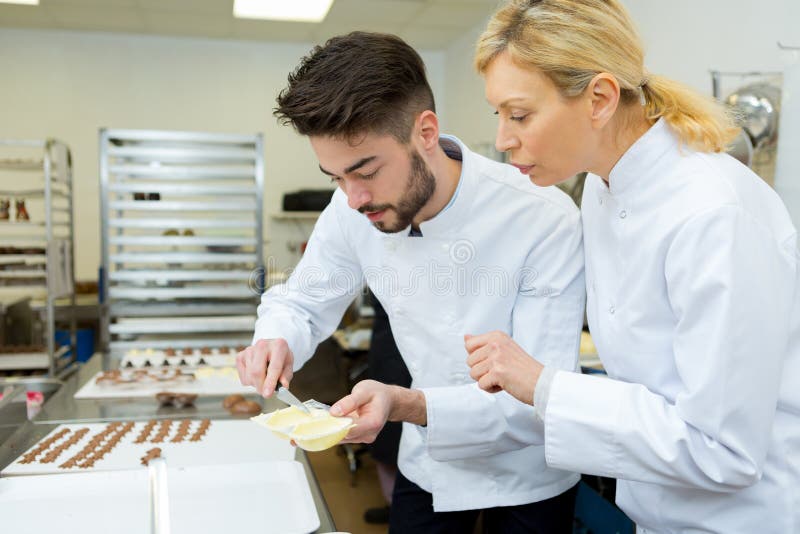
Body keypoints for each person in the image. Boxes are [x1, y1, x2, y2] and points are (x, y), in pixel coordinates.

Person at [466, 1, 800, 532]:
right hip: (657, 514)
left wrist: (546, 386)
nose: (505, 139)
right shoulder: (600, 190)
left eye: (520, 114)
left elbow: (723, 451)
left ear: (598, 98)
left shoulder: (713, 213)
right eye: (499, 115)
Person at [236, 31, 586, 533]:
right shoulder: (351, 206)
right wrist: (277, 338)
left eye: (366, 171)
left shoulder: (541, 215)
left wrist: (404, 403)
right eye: (336, 177)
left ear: (425, 132)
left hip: (528, 475)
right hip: (430, 464)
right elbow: (303, 301)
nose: (354, 198)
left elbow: (539, 400)